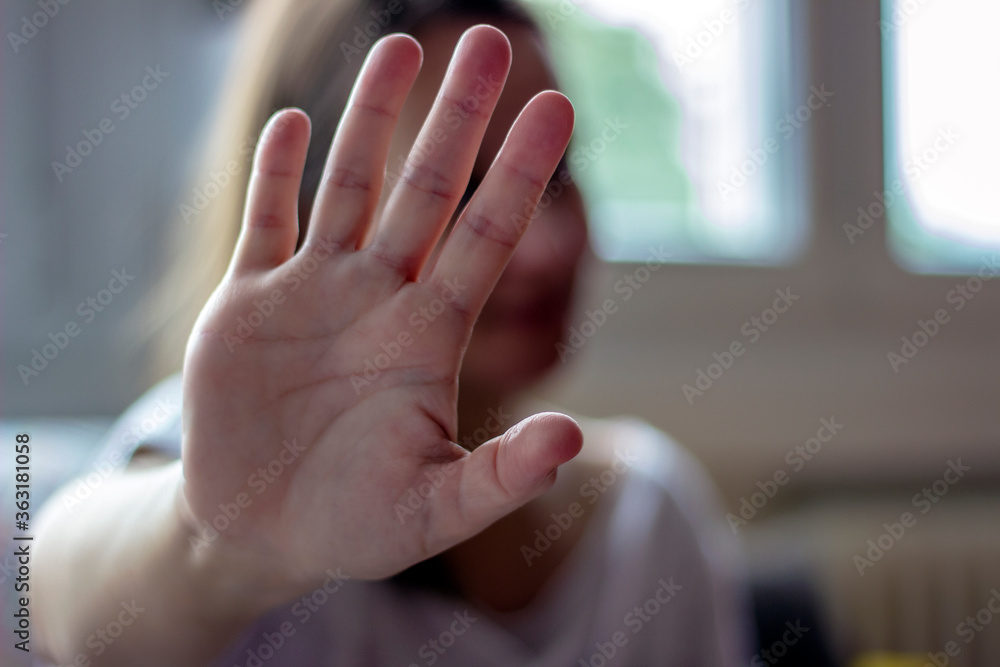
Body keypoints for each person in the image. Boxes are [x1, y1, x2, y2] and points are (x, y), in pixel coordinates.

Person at [34, 1, 751, 664]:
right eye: (469, 189)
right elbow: (53, 601)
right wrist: (216, 543)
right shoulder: (250, 453)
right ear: (313, 220)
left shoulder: (652, 520)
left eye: (553, 174)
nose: (550, 247)